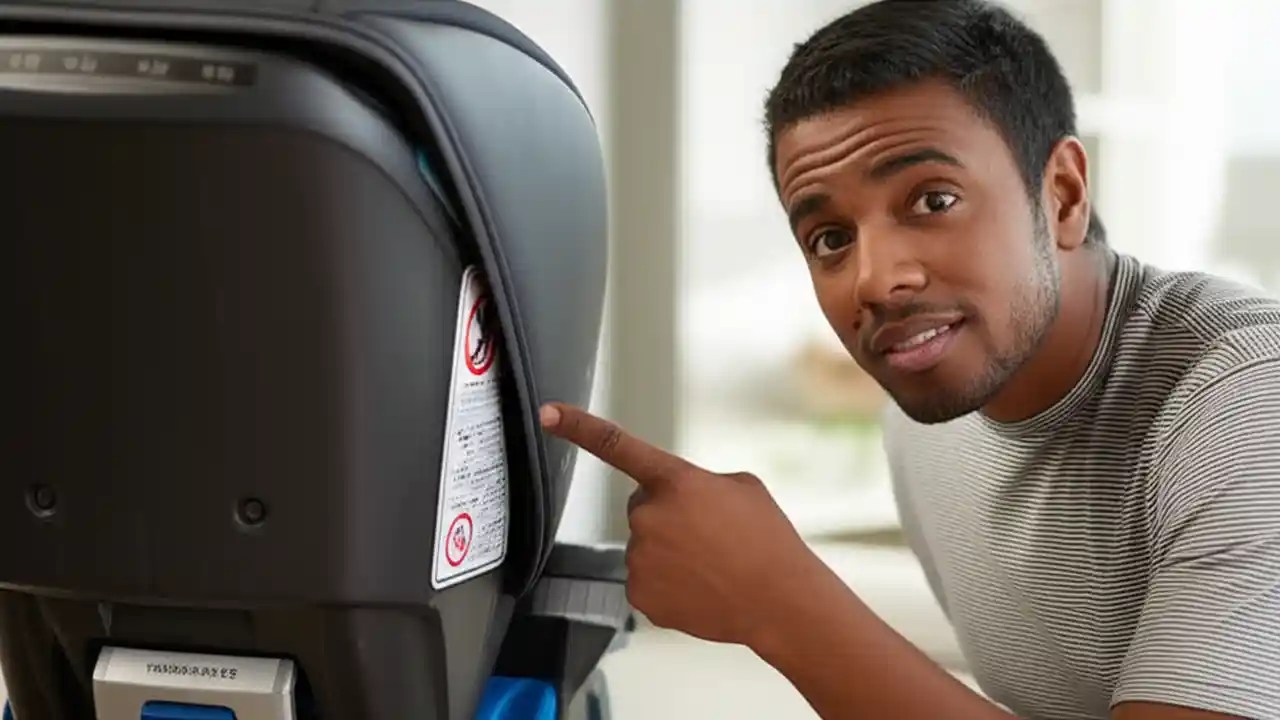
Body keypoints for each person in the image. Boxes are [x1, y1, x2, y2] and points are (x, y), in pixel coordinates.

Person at [540, 0, 1280, 718]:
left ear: (1061, 196)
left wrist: (780, 602)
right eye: (830, 238)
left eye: (932, 200)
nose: (874, 279)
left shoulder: (1247, 399)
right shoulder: (925, 424)